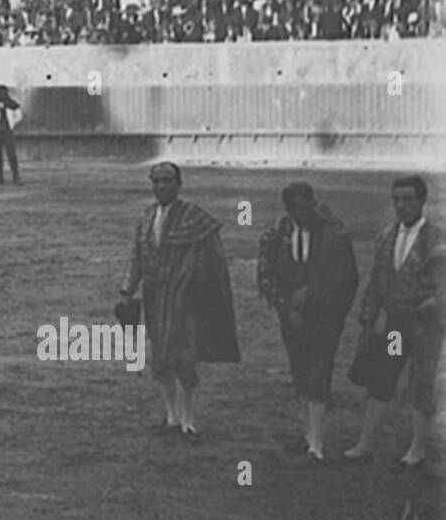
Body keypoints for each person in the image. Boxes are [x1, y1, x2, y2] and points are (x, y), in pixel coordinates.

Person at [119, 162, 240, 439]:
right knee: (161, 355)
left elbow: (212, 261)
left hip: (185, 298)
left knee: (185, 355)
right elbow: (136, 257)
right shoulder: (146, 217)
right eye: (157, 181)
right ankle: (172, 416)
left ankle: (188, 419)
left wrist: (199, 289)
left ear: (178, 184)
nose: (161, 186)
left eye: (167, 181)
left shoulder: (193, 216)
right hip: (154, 295)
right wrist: (127, 291)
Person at [344, 176, 445, 468]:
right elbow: (377, 281)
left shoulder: (437, 238)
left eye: (408, 199)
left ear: (422, 201)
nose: (401, 205)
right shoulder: (387, 235)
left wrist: (436, 303)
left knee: (421, 381)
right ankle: (365, 443)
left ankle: (418, 448)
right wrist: (368, 320)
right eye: (396, 199)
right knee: (384, 374)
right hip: (397, 326)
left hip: (426, 326)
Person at [257, 182, 359, 462]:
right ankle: (308, 435)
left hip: (325, 317)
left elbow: (347, 278)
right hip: (291, 316)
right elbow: (265, 276)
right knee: (300, 370)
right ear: (288, 209)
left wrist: (323, 307)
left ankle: (317, 441)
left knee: (319, 370)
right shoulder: (276, 232)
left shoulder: (334, 232)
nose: (306, 213)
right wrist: (286, 308)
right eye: (298, 208)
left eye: (309, 206)